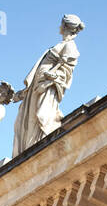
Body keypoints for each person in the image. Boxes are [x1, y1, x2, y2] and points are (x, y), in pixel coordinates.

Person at [10, 15, 84, 157]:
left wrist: (55, 76)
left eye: (61, 24)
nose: (59, 27)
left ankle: (41, 145)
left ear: (64, 26)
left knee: (42, 115)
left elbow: (67, 69)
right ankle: (28, 150)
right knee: (25, 120)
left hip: (47, 85)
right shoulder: (61, 44)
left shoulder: (70, 46)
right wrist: (23, 93)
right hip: (36, 86)